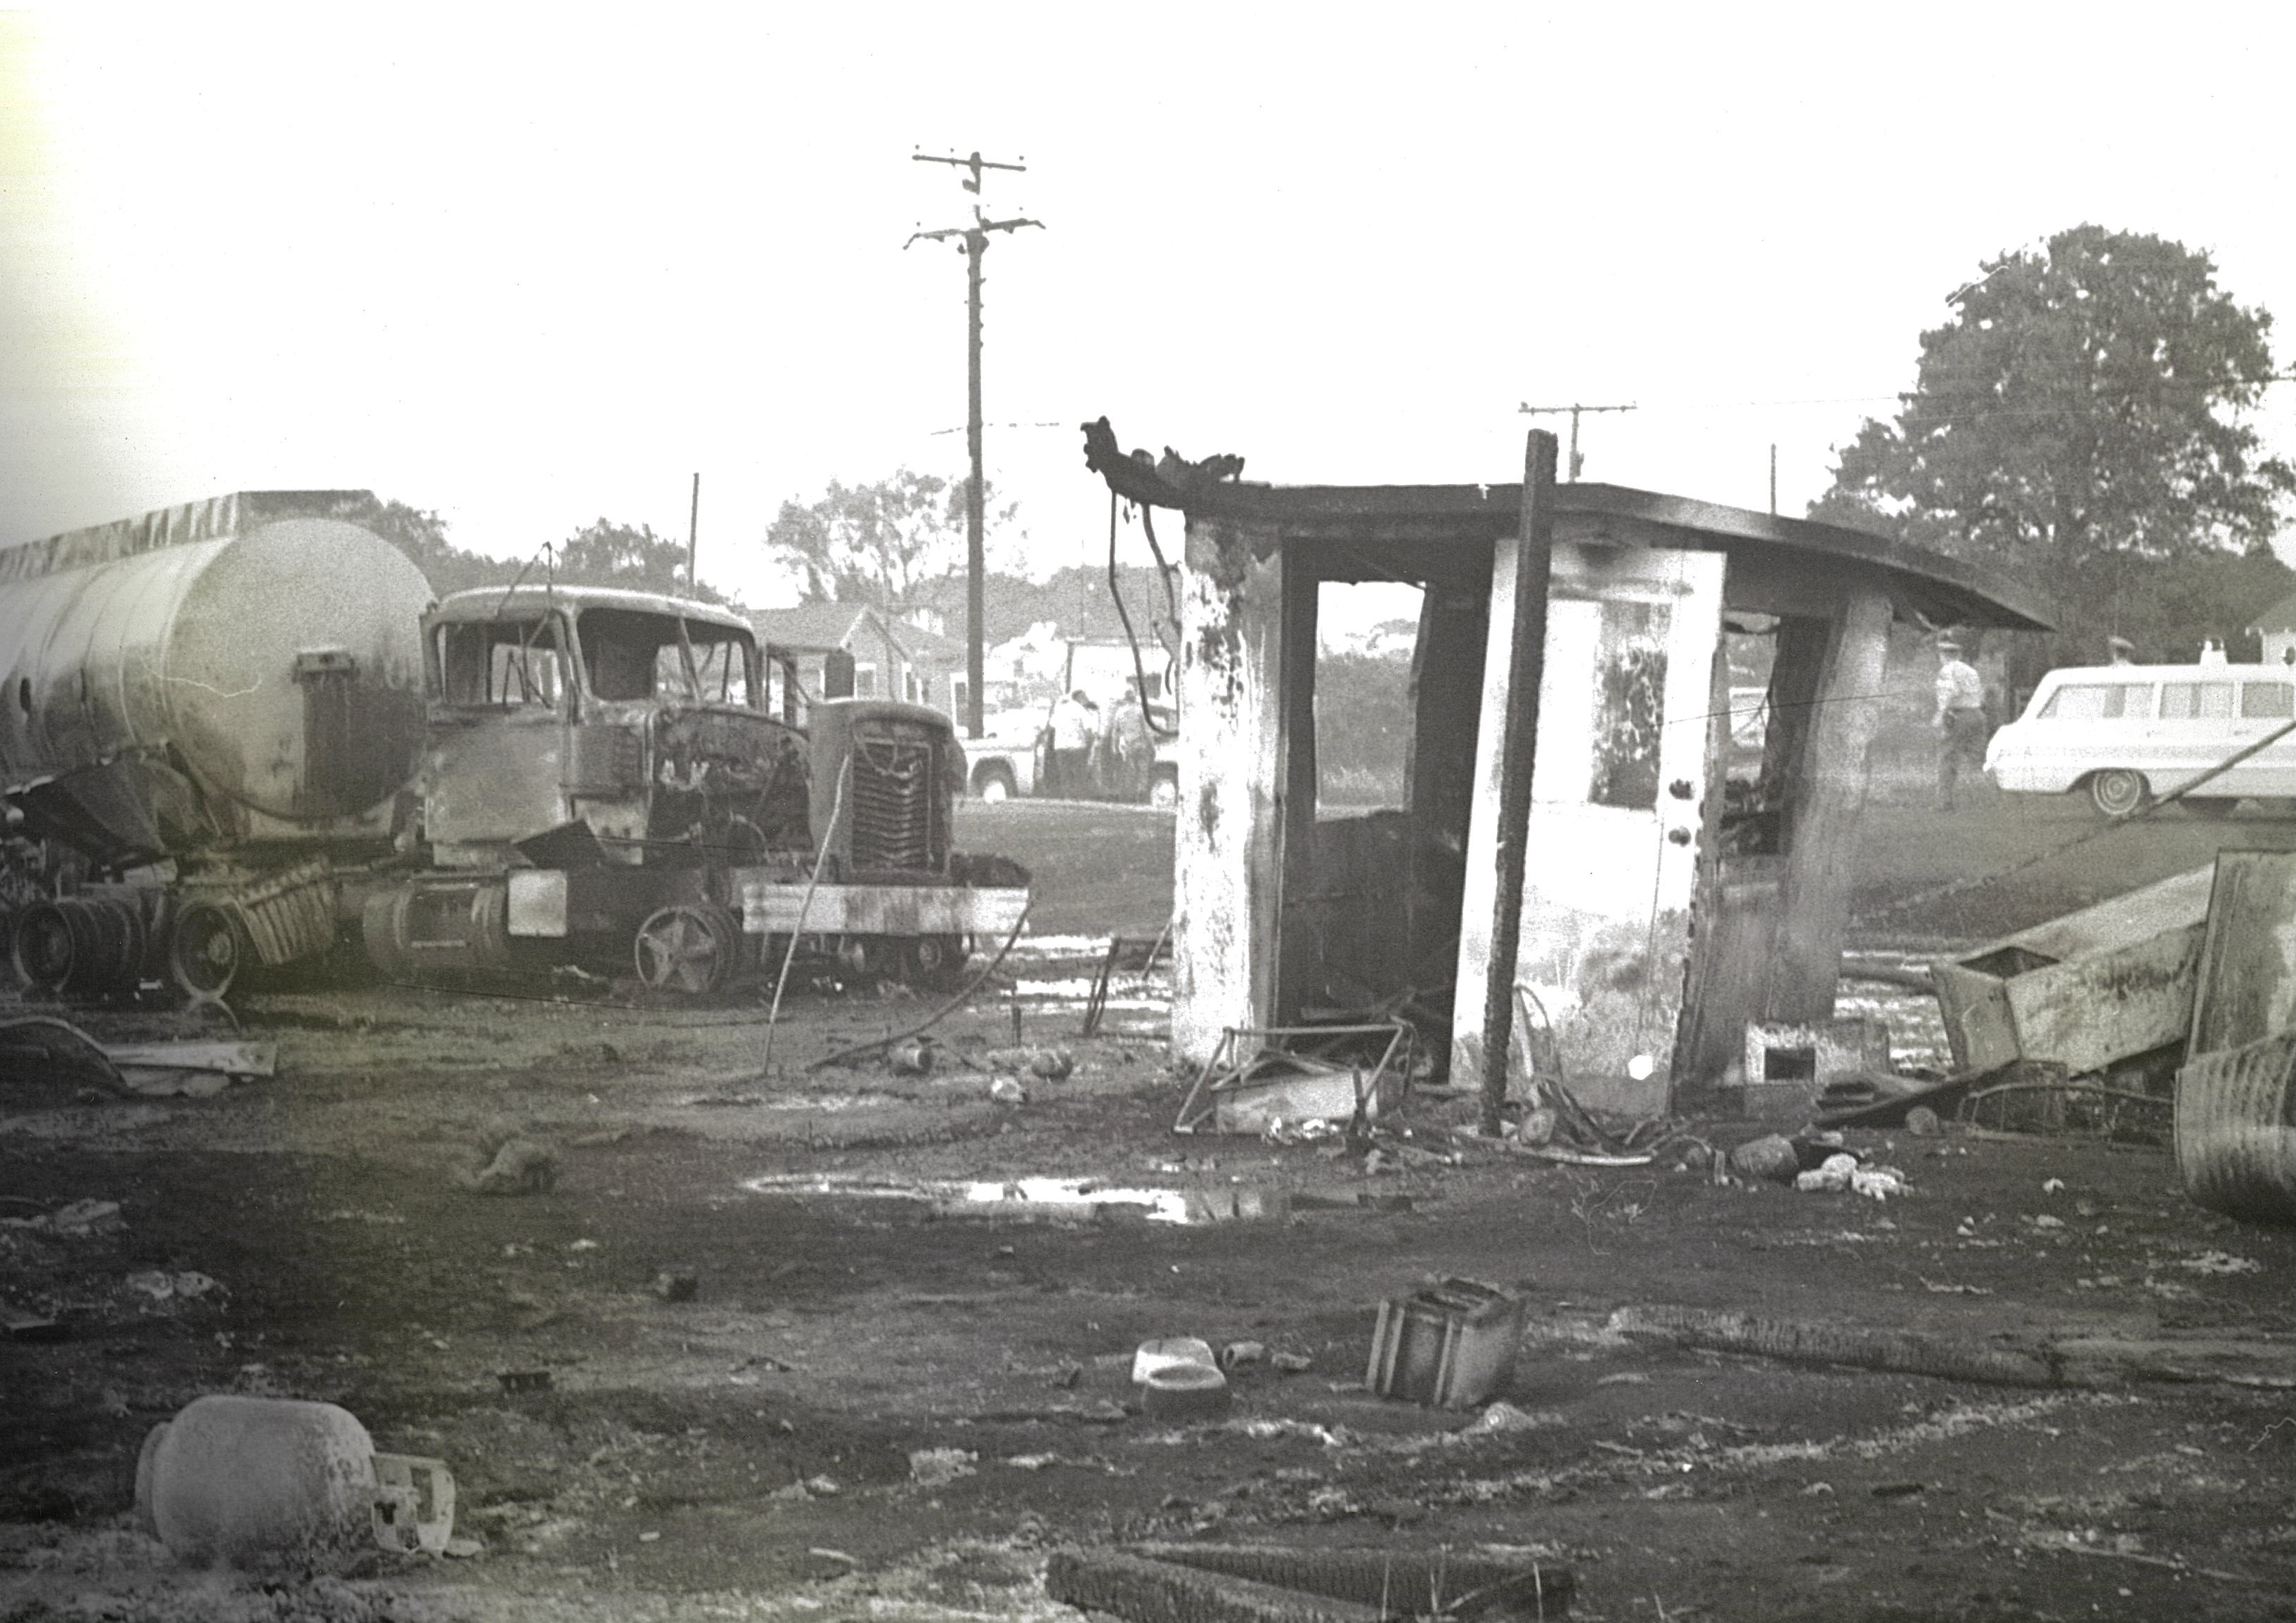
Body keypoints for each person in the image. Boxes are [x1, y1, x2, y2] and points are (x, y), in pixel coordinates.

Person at [1932, 637, 1988, 813]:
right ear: (1959, 654)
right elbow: (1980, 695)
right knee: (1976, 758)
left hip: (1959, 715)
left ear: (1942, 655)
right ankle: (1982, 799)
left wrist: (1940, 714)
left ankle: (1944, 802)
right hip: (1977, 715)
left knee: (1947, 757)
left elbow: (1950, 692)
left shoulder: (1946, 670)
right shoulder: (1971, 671)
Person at [1046, 689, 1099, 797]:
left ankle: (1068, 797)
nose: (1086, 700)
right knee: (1079, 774)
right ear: (1079, 698)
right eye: (1084, 697)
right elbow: (1088, 730)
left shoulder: (1060, 709)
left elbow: (1051, 727)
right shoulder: (1080, 709)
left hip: (1061, 747)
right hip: (1077, 746)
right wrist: (1088, 746)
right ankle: (1079, 798)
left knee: (1065, 775)